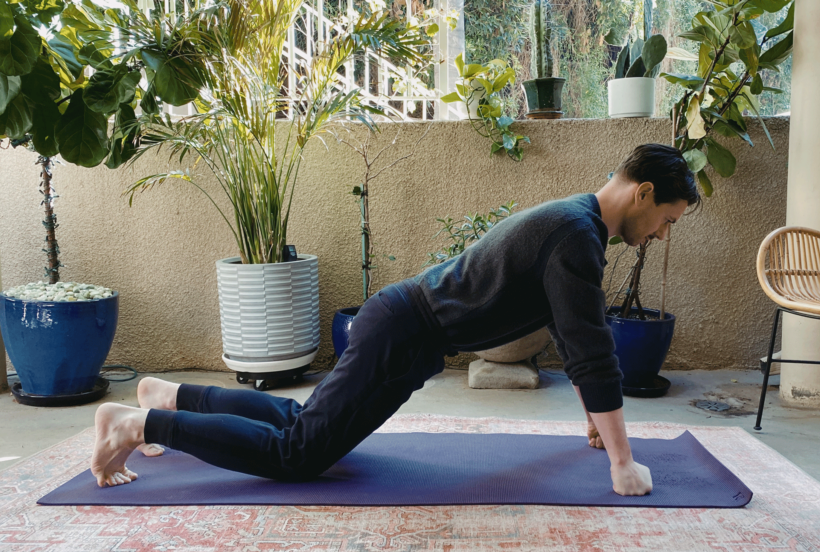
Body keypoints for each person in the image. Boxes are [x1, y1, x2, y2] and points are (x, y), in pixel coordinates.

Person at [90, 143, 700, 496]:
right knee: (299, 455)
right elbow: (592, 352)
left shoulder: (575, 223)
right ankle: (138, 425)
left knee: (304, 426)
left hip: (403, 331)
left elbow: (575, 339)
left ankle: (169, 395)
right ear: (643, 193)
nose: (661, 234)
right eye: (669, 219)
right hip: (401, 331)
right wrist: (622, 462)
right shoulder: (577, 238)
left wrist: (599, 425)